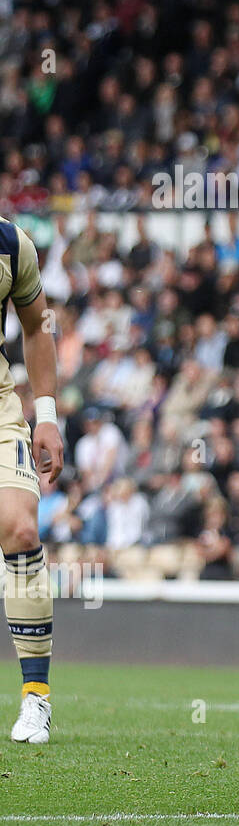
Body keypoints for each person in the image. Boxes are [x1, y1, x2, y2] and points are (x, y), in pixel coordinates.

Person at [0, 218, 65, 744]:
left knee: (21, 529)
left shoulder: (10, 242)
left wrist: (46, 414)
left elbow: (38, 325)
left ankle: (35, 699)